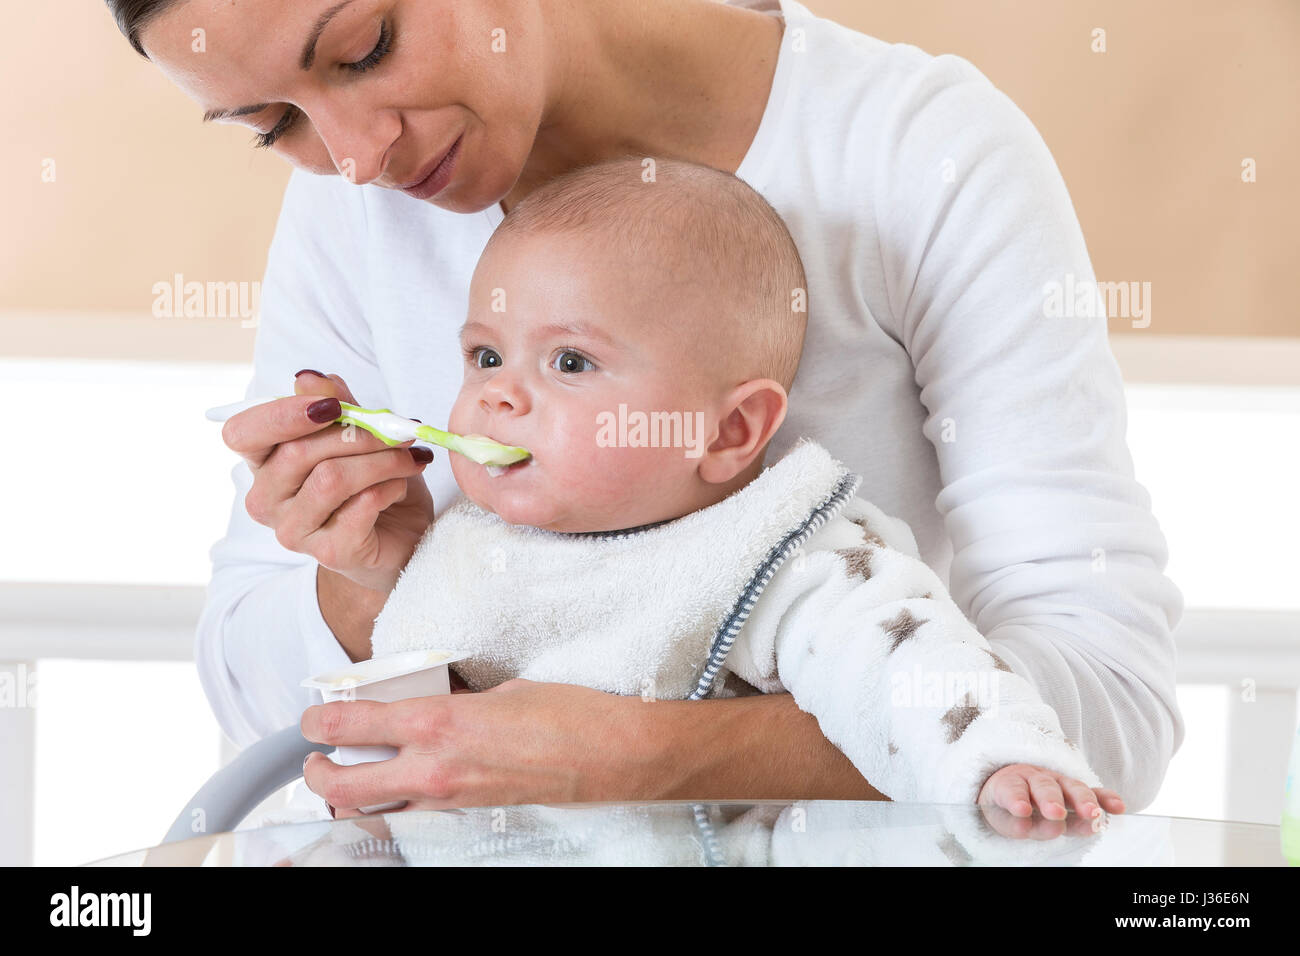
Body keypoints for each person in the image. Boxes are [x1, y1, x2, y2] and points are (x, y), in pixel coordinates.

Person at [110, 0, 1183, 814]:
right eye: (271, 123)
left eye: (366, 47)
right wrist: (363, 581)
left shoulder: (913, 151)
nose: (353, 157)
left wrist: (639, 756)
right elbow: (251, 675)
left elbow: (1108, 710)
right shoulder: (350, 214)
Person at [362, 154, 1114, 819]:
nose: (499, 397)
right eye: (486, 357)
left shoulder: (781, 558)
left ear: (726, 433)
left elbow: (911, 670)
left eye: (569, 363)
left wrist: (1002, 762)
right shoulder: (462, 542)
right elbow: (402, 743)